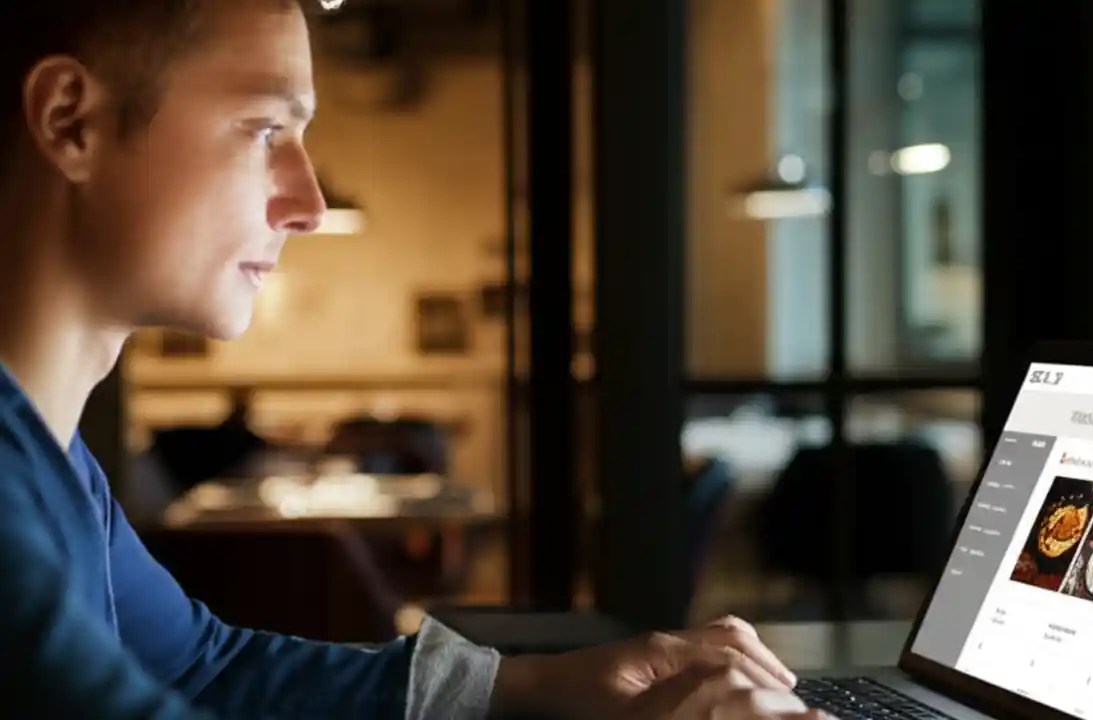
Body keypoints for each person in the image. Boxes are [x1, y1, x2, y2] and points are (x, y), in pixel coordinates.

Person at [0, 1, 829, 718]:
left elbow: (201, 666)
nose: (309, 205)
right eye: (265, 130)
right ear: (74, 120)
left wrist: (538, 688)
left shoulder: (55, 461)